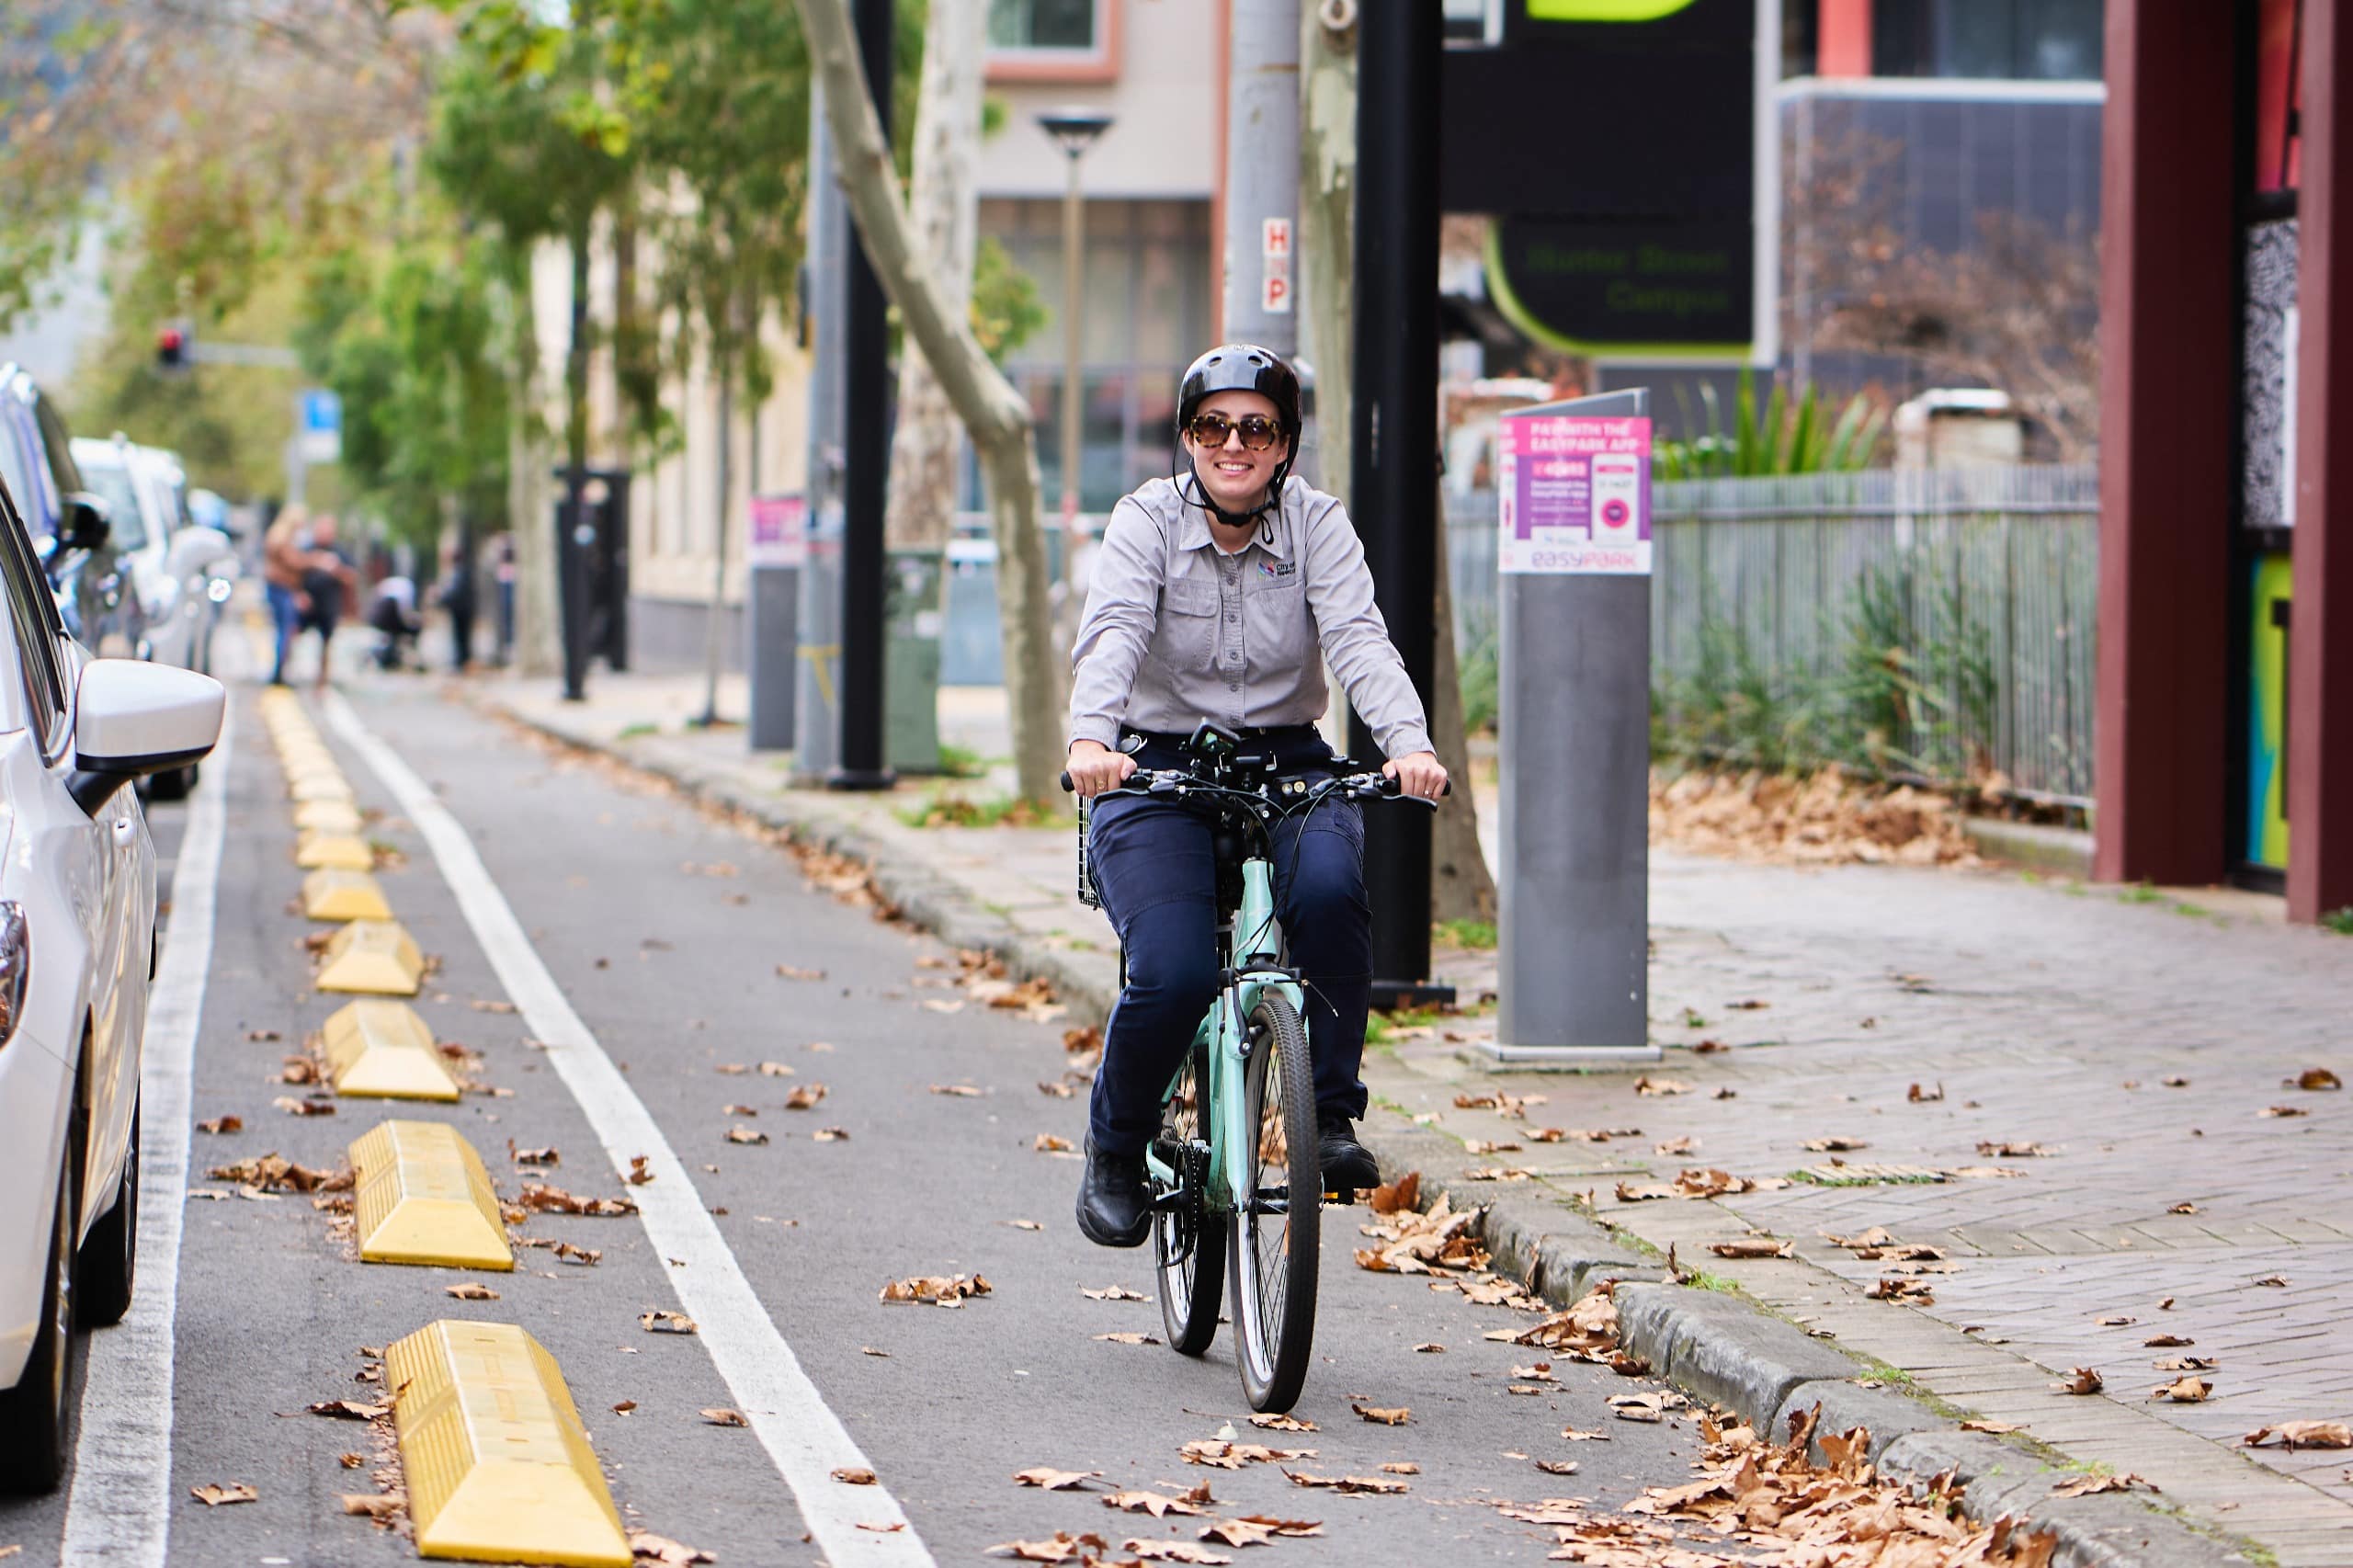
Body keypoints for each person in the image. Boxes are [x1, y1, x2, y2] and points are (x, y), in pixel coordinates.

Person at [1063, 343, 1448, 1248]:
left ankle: (1331, 1120)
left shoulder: (1318, 524)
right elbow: (1113, 630)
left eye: (1256, 428)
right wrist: (1091, 739)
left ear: (1284, 444)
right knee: (1176, 969)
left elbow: (1359, 640)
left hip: (1285, 756)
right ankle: (1116, 1149)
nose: (1232, 444)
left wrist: (1409, 745)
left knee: (1327, 890)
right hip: (1154, 764)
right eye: (1213, 425)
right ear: (1188, 437)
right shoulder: (1144, 521)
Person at [296, 513, 357, 695]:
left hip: (328, 602)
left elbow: (351, 577)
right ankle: (286, 670)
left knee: (326, 641)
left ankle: (322, 679)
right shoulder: (307, 550)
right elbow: (294, 573)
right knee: (293, 632)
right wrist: (299, 594)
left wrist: (336, 569)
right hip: (308, 600)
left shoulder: (339, 552)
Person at [261, 506, 312, 686]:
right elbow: (293, 562)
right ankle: (278, 672)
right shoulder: (281, 539)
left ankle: (280, 670)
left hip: (281, 588)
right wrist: (316, 560)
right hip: (281, 588)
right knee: (286, 629)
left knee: (285, 629)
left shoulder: (280, 537)